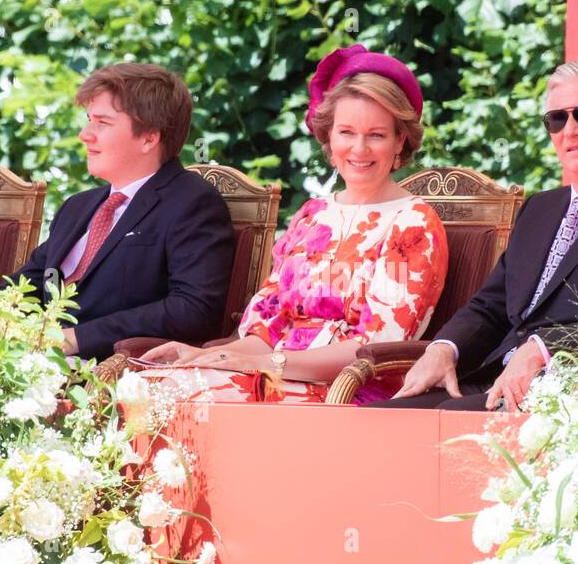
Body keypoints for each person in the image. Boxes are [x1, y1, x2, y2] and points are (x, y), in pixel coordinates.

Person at [137, 45, 448, 404]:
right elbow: (267, 328)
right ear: (329, 138)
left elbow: (374, 349)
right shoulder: (312, 214)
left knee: (190, 397)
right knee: (154, 386)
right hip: (276, 375)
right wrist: (209, 358)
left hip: (351, 389)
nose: (359, 149)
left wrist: (266, 364)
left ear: (400, 141)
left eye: (376, 135)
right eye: (346, 132)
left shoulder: (413, 225)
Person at [373, 59, 578, 412]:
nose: (570, 130)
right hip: (490, 376)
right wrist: (444, 347)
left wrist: (544, 347)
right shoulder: (540, 208)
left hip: (569, 389)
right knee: (376, 423)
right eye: (557, 119)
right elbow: (491, 306)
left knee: (426, 432)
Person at [9, 63, 234, 360]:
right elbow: (25, 286)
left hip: (116, 375)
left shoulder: (193, 202)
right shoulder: (77, 207)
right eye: (89, 120)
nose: (85, 134)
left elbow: (193, 310)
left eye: (102, 122)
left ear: (149, 137)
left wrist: (76, 338)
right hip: (32, 367)